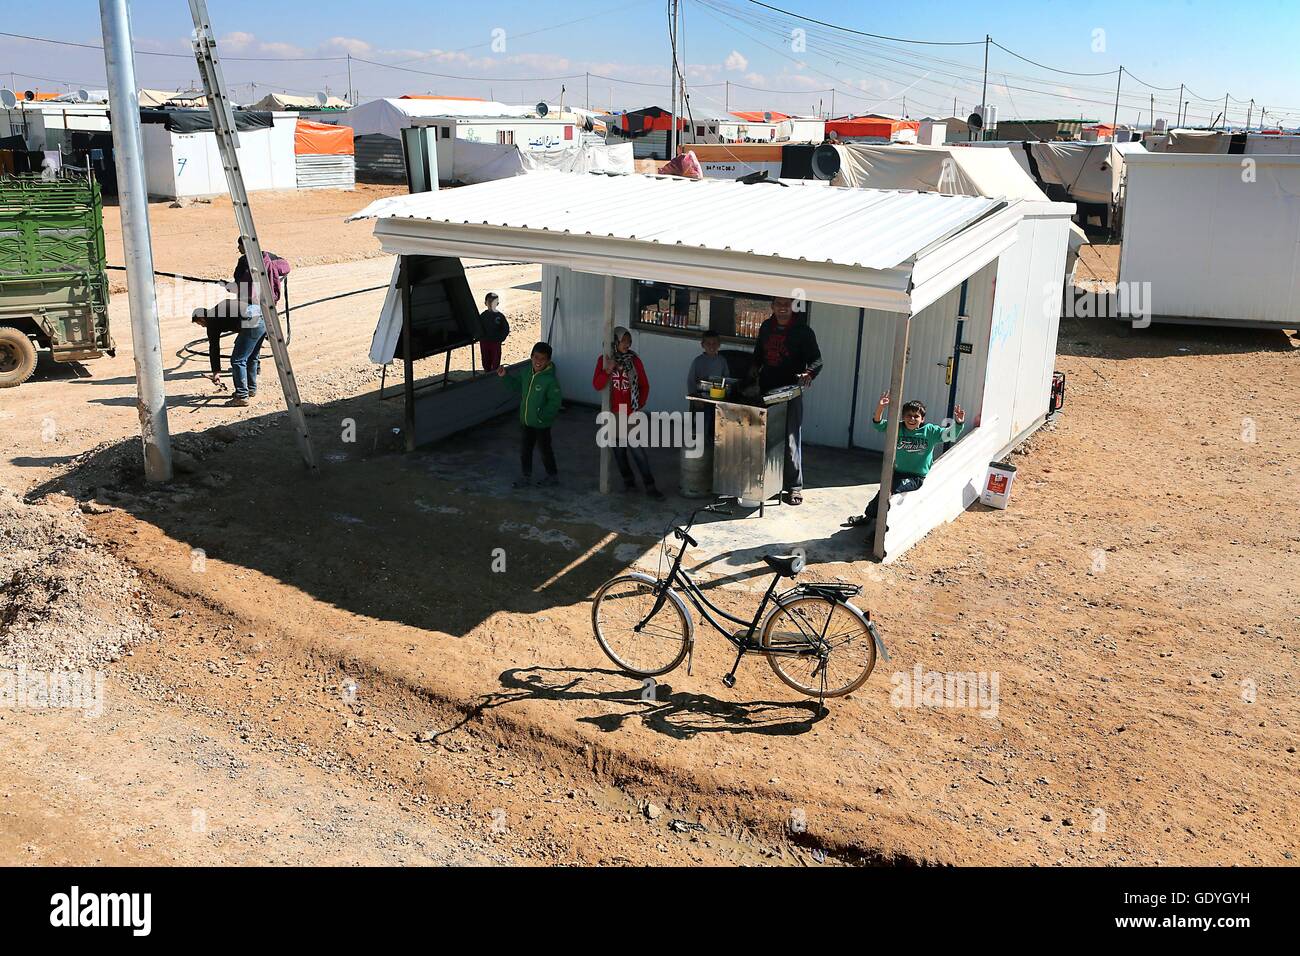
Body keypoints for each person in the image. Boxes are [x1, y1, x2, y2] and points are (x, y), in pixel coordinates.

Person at [849, 391, 966, 537]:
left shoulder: (930, 431)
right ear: (903, 417)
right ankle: (869, 517)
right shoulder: (897, 428)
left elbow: (950, 435)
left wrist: (959, 422)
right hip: (897, 473)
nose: (912, 419)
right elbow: (878, 424)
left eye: (916, 416)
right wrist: (880, 408)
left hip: (915, 477)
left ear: (922, 419)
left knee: (889, 493)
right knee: (883, 492)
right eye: (908, 415)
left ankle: (880, 531)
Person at [190, 238, 290, 403]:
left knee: (238, 359)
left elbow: (214, 347)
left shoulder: (213, 322)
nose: (202, 326)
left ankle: (241, 395)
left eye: (200, 323)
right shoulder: (266, 259)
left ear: (201, 317)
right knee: (251, 356)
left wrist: (216, 372)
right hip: (265, 313)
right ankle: (251, 389)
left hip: (252, 316)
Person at [751, 296, 822, 505]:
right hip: (766, 390)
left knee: (790, 439)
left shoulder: (803, 331)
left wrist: (809, 373)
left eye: (786, 304)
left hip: (791, 392)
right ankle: (764, 482)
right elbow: (757, 355)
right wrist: (751, 375)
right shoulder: (766, 327)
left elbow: (817, 360)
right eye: (778, 304)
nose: (782, 308)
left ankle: (793, 487)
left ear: (793, 307)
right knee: (764, 438)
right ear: (772, 306)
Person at [593, 326, 664, 500]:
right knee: (618, 450)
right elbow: (597, 385)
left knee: (636, 450)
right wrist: (608, 370)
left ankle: (650, 485)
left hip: (630, 412)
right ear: (614, 342)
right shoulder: (604, 360)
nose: (627, 344)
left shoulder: (634, 361)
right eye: (623, 340)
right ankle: (629, 483)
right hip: (613, 413)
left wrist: (638, 405)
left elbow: (644, 385)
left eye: (629, 340)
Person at [497, 341, 562, 487]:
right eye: (536, 357)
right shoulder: (526, 372)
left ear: (548, 361)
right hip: (526, 422)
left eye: (543, 359)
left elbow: (555, 402)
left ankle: (552, 476)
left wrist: (542, 416)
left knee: (545, 450)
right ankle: (526, 476)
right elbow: (515, 386)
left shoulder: (550, 381)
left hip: (541, 424)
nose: (538, 362)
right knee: (525, 450)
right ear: (531, 357)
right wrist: (504, 376)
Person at [686, 328, 729, 393]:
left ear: (719, 344)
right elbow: (691, 381)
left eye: (714, 343)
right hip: (700, 395)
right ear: (703, 345)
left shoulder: (722, 361)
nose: (711, 346)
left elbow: (726, 379)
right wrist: (694, 398)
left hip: (718, 395)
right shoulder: (698, 361)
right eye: (708, 344)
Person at [477, 292, 510, 373]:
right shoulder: (483, 316)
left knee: (496, 360)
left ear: (497, 303)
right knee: (485, 359)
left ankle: (494, 375)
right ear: (485, 303)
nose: (491, 304)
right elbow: (477, 327)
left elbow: (505, 328)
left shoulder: (500, 316)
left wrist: (500, 339)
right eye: (489, 302)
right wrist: (479, 337)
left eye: (494, 302)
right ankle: (487, 373)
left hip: (495, 342)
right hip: (484, 342)